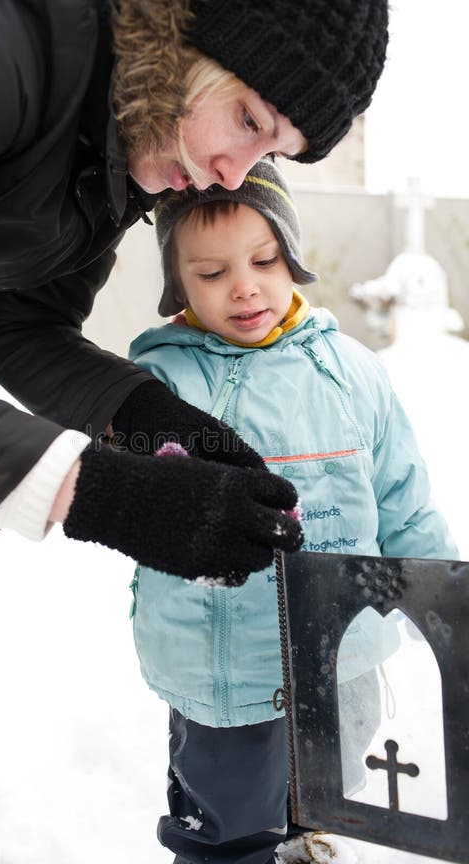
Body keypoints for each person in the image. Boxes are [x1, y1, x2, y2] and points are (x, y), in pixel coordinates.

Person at [0, 0, 390, 860]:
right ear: (187, 38)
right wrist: (109, 495)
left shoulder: (135, 134)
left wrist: (173, 428)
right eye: (247, 121)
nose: (237, 175)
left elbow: (22, 330)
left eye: (271, 154)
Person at [126, 158, 459, 864]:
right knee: (231, 822)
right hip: (223, 678)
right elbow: (139, 497)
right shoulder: (162, 384)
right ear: (177, 286)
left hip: (342, 663)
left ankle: (305, 838)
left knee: (324, 790)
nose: (244, 286)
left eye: (265, 259)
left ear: (293, 257)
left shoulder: (354, 373)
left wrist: (441, 594)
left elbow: (403, 498)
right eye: (212, 273)